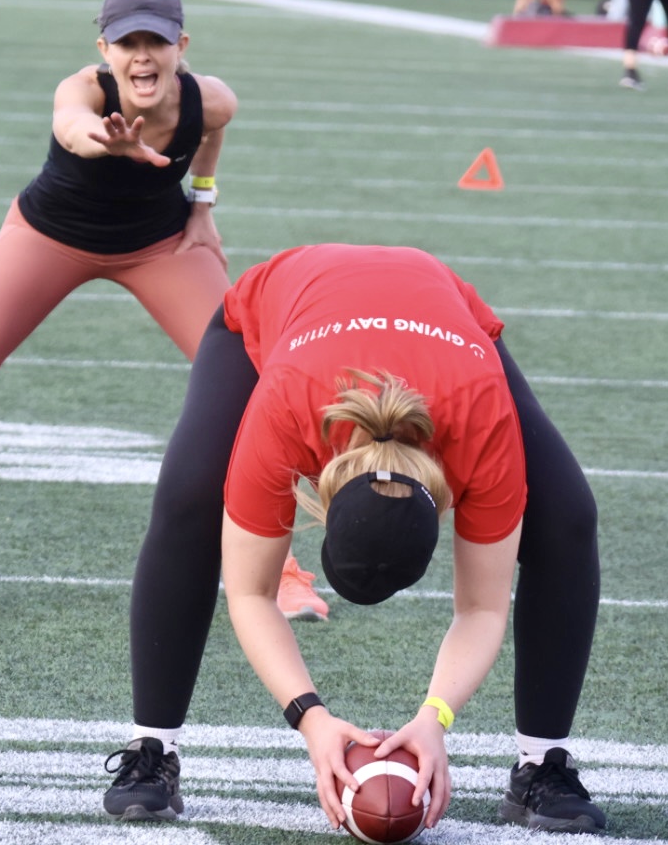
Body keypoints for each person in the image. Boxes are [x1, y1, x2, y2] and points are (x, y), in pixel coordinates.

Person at [0, 0, 330, 620]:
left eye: (155, 42)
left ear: (181, 45)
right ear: (104, 48)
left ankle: (281, 568)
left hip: (159, 246)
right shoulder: (83, 91)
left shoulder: (211, 101)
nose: (142, 55)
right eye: (127, 42)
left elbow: (213, 130)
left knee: (251, 384)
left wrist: (205, 204)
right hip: (49, 236)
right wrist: (105, 140)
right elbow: (72, 125)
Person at [102, 244, 605, 838]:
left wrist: (434, 718)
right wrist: (310, 719)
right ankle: (151, 748)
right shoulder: (288, 407)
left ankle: (541, 763)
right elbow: (252, 593)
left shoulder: (479, 420)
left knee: (567, 516)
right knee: (190, 497)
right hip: (281, 306)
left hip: (449, 334)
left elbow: (483, 606)